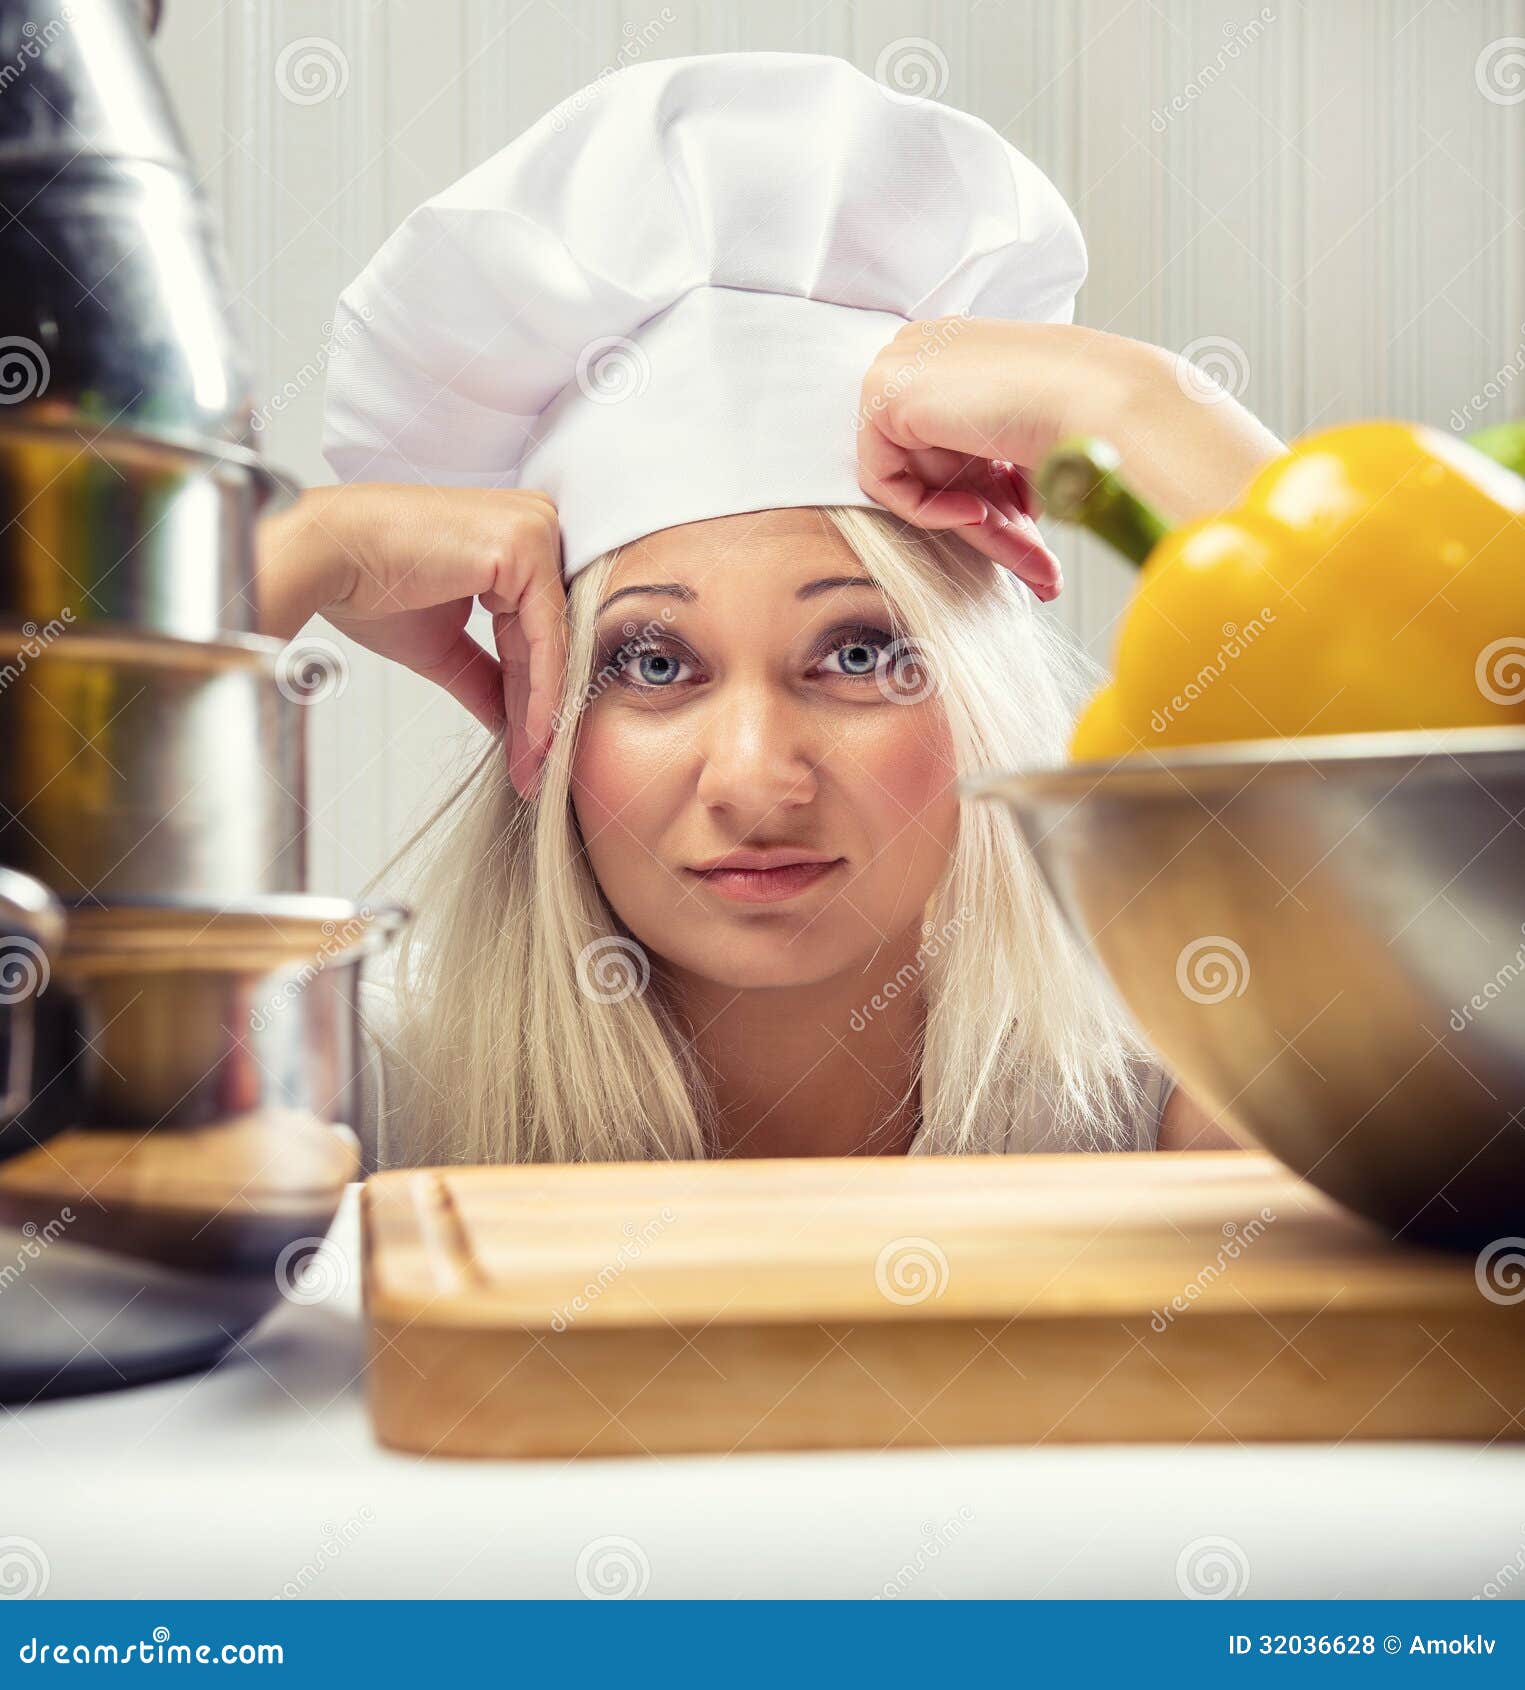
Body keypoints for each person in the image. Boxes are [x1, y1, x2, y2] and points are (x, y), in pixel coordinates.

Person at [258, 53, 1283, 1170]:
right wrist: (296, 555)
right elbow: (37, 971)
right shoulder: (369, 1086)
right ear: (543, 711)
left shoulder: (1177, 1084)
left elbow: (1478, 873)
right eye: (652, 664)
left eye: (856, 652)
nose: (753, 781)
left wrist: (1128, 403)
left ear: (976, 685)